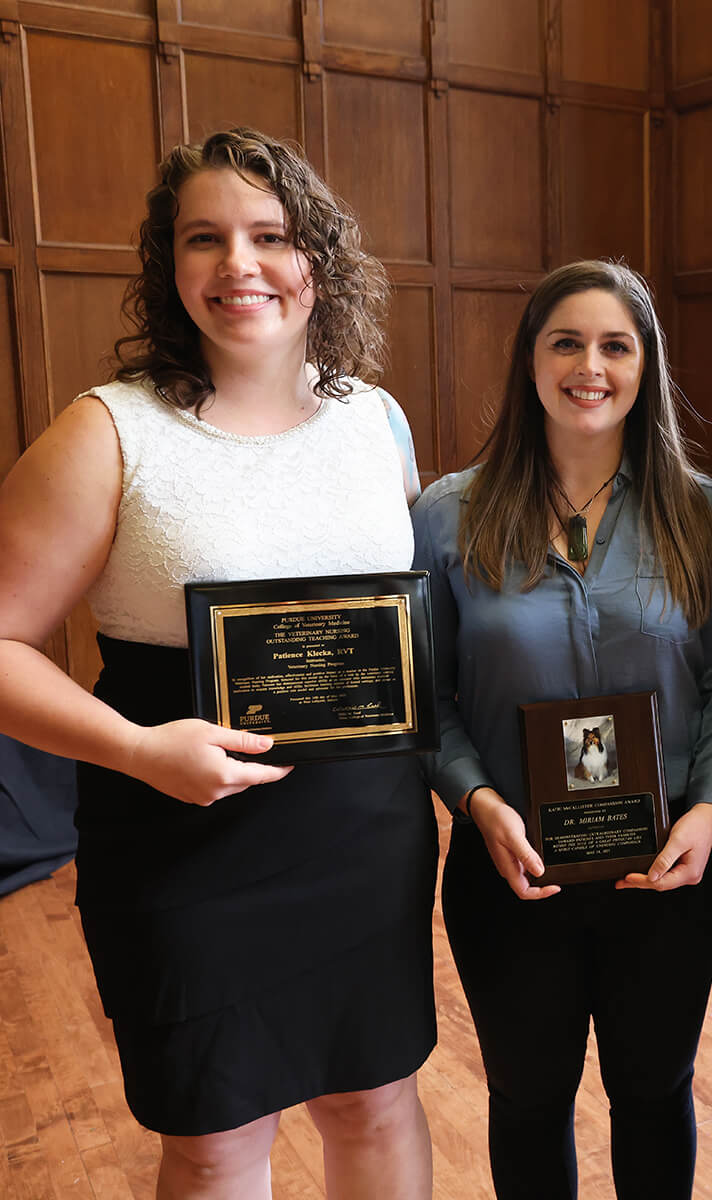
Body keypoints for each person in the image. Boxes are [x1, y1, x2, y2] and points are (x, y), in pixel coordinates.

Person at [0, 128, 437, 1198]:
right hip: (179, 834)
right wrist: (141, 749)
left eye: (269, 236)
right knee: (213, 1134)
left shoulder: (374, 420)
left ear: (316, 262)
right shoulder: (111, 430)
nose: (238, 265)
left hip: (363, 834)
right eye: (206, 239)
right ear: (169, 267)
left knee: (374, 1101)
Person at [411, 259, 712, 1200]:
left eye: (616, 345)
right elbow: (428, 701)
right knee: (528, 1100)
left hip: (668, 867)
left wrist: (711, 811)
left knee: (654, 1092)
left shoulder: (703, 513)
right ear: (529, 360)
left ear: (646, 367)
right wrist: (476, 803)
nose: (589, 366)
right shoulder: (449, 516)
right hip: (511, 864)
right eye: (566, 342)